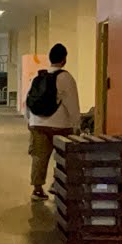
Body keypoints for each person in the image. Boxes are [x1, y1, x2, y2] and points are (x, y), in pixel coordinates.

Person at [26, 43, 80, 201]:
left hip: (38, 124)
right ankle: (57, 184)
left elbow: (29, 100)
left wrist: (30, 120)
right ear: (64, 59)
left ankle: (37, 189)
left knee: (39, 157)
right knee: (63, 156)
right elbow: (72, 104)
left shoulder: (39, 77)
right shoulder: (66, 78)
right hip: (60, 126)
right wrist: (76, 125)